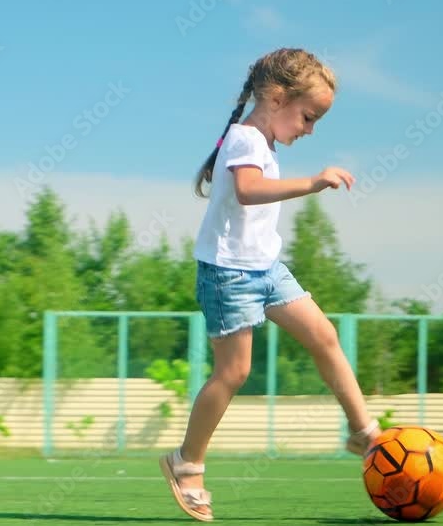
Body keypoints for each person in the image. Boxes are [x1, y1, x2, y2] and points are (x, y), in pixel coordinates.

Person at [159, 48, 381, 522]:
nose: (310, 129)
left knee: (324, 336)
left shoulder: (265, 141)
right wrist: (313, 182)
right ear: (277, 98)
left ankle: (362, 431)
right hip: (229, 274)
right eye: (308, 117)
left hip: (266, 267)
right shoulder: (245, 139)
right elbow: (248, 190)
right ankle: (185, 463)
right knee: (233, 373)